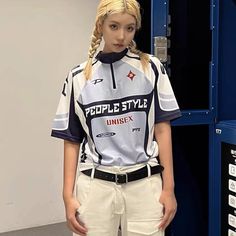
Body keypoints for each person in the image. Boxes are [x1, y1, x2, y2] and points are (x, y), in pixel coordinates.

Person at [51, 0, 181, 235]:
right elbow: (71, 140)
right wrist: (67, 195)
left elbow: (162, 129)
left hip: (145, 186)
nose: (121, 35)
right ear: (100, 25)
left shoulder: (150, 68)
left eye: (129, 28)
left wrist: (169, 188)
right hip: (95, 189)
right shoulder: (78, 77)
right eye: (114, 26)